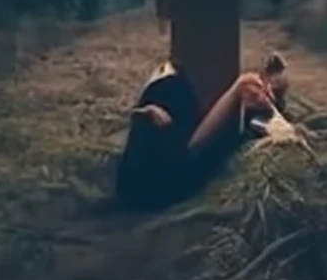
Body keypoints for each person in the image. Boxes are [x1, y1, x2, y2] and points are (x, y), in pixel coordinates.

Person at [115, 59, 275, 211]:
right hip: (161, 178)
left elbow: (193, 148)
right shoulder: (165, 169)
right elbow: (191, 150)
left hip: (161, 173)